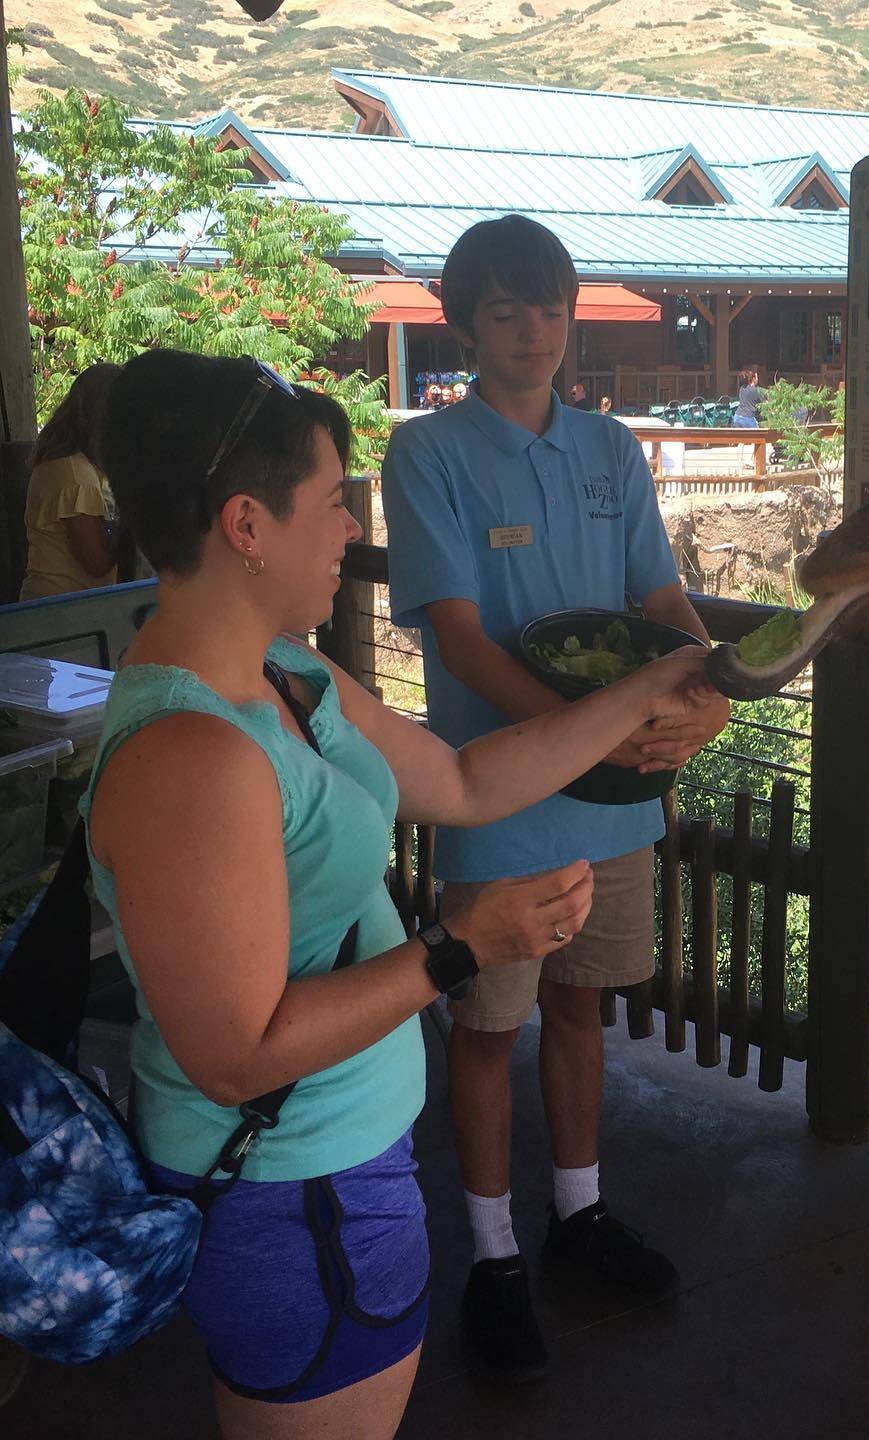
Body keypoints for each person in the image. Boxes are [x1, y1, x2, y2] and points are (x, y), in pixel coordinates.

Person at [84, 347, 718, 1440]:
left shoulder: (288, 673)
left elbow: (463, 780)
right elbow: (235, 1054)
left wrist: (650, 689)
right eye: (333, 501)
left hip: (342, 1164)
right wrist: (459, 946)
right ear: (246, 525)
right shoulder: (191, 756)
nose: (351, 528)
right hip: (291, 1190)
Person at [381, 214, 730, 1385]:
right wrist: (587, 734)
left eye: (549, 309)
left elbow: (661, 600)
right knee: (488, 1026)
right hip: (495, 793)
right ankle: (491, 1255)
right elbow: (459, 638)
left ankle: (577, 1211)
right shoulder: (428, 455)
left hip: (616, 791)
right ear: (465, 324)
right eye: (505, 312)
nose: (533, 332)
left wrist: (706, 688)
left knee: (582, 1006)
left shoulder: (610, 449)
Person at [20, 363, 123, 599]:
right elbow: (96, 563)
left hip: (65, 605)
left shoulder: (78, 465)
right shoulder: (75, 474)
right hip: (62, 609)